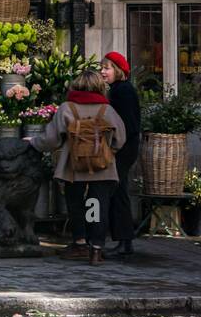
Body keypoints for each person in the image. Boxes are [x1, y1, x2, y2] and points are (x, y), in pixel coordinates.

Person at [25, 66, 126, 266]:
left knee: (76, 204)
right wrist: (107, 152)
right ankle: (96, 249)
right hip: (102, 168)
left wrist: (33, 142)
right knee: (96, 206)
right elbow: (120, 139)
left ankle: (79, 242)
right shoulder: (107, 109)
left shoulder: (67, 108)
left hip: (74, 167)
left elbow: (51, 139)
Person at [100, 52, 141, 258]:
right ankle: (123, 240)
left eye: (106, 68)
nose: (103, 72)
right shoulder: (119, 89)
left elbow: (126, 125)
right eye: (102, 68)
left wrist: (115, 147)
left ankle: (124, 241)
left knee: (118, 191)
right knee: (118, 190)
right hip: (125, 146)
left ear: (118, 70)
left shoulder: (122, 91)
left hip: (123, 147)